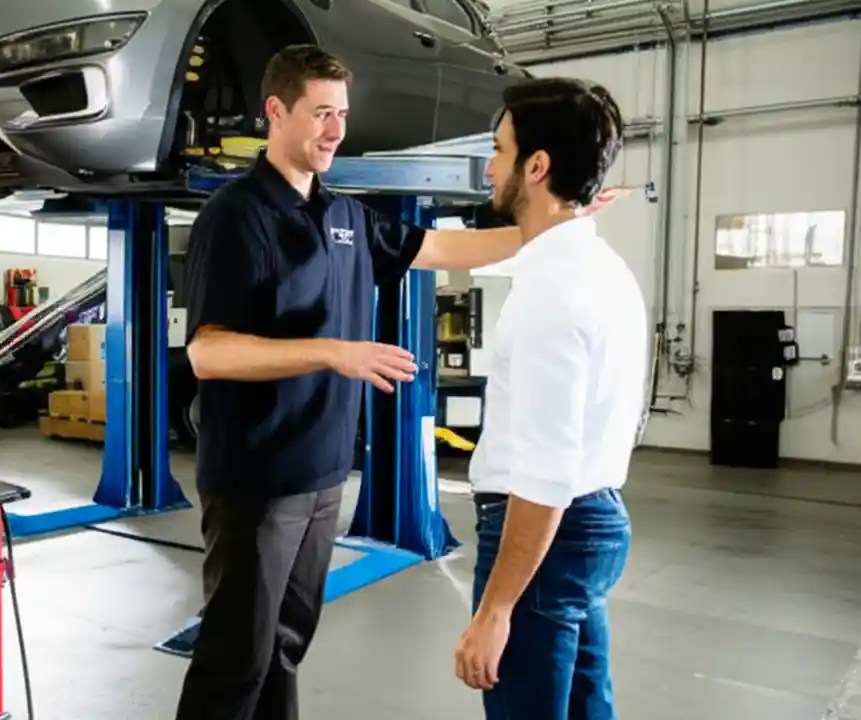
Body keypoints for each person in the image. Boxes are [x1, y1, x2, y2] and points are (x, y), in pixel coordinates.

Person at [172, 45, 619, 720]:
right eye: (320, 113)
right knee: (236, 657)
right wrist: (334, 353)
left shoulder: (346, 216)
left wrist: (551, 223)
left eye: (342, 115)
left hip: (322, 478)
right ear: (275, 112)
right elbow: (209, 353)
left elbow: (437, 248)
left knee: (286, 646)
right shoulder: (236, 218)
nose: (335, 131)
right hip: (256, 481)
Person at [451, 78, 645, 720]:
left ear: (537, 167)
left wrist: (495, 610)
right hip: (590, 524)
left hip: (545, 537)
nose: (489, 166)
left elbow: (546, 471)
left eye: (500, 150)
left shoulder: (550, 295)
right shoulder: (604, 270)